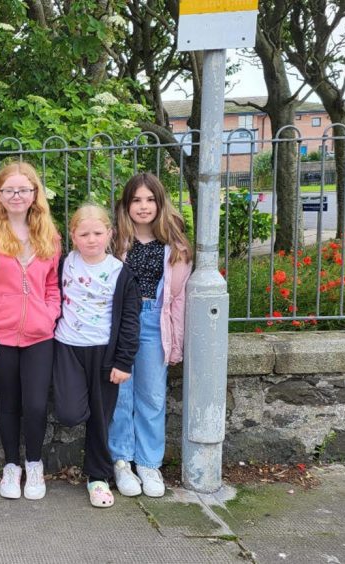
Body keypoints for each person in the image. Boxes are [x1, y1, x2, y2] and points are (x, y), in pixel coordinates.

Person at [0, 162, 61, 500]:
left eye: (24, 190)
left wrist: (49, 315)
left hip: (39, 336)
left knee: (34, 404)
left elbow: (52, 286)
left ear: (35, 194)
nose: (16, 196)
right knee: (8, 403)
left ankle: (34, 465)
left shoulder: (49, 235)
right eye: (9, 190)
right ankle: (11, 467)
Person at [108, 173, 193, 498]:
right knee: (121, 397)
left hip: (156, 324)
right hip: (122, 325)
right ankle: (121, 462)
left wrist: (177, 343)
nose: (143, 207)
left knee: (152, 397)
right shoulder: (115, 242)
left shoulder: (176, 248)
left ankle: (148, 463)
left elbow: (180, 299)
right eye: (136, 200)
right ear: (126, 205)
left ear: (160, 203)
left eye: (150, 200)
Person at [52, 204, 140, 508]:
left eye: (98, 233)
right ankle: (90, 418)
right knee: (69, 412)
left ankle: (97, 477)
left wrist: (123, 360)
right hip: (67, 348)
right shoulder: (64, 265)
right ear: (73, 236)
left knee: (101, 419)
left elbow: (130, 319)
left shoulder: (120, 273)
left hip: (105, 353)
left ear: (110, 234)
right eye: (84, 233)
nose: (91, 239)